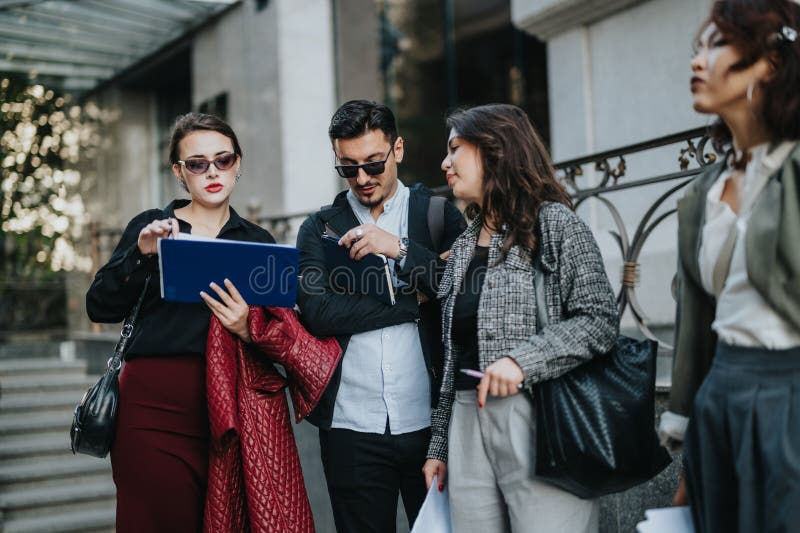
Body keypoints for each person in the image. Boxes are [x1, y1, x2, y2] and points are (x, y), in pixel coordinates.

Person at [86, 112, 340, 532]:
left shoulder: (258, 242)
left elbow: (284, 331)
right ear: (179, 172)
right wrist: (142, 253)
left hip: (234, 407)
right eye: (197, 163)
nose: (212, 172)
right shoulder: (151, 227)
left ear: (238, 163)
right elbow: (100, 306)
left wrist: (248, 326)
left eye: (223, 160)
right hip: (152, 406)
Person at [421, 103, 619, 533]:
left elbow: (599, 319)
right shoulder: (463, 247)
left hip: (541, 419)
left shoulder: (555, 224)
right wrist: (439, 445)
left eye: (455, 149)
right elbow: (452, 357)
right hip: (466, 427)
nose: (445, 163)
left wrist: (522, 361)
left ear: (495, 149)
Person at [657, 1, 800, 531]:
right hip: (719, 397)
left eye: (717, 45)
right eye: (698, 47)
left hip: (787, 391)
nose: (698, 61)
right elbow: (700, 320)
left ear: (770, 61)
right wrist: (691, 454)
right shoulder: (705, 192)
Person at [295, 99, 466, 533]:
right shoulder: (319, 228)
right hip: (349, 425)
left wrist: (399, 250)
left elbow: (464, 287)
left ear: (398, 149)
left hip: (432, 422)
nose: (362, 178)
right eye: (348, 167)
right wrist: (411, 302)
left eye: (373, 163)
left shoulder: (437, 214)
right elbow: (318, 313)